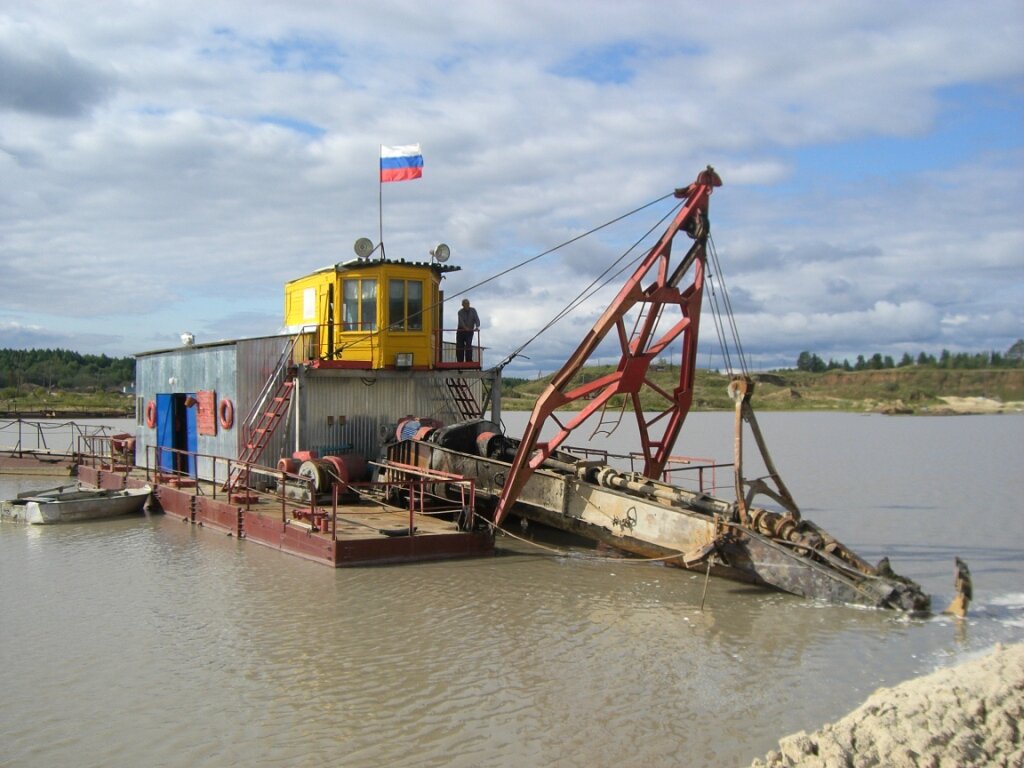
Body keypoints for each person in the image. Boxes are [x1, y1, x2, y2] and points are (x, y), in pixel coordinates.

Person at [456, 298, 480, 363]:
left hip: (469, 331)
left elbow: (476, 319)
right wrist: (465, 328)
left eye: (468, 304)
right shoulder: (460, 312)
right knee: (460, 345)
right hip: (461, 330)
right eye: (465, 304)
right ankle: (460, 361)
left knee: (468, 345)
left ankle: (469, 360)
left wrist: (477, 326)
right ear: (462, 305)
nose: (467, 305)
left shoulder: (473, 310)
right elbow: (461, 322)